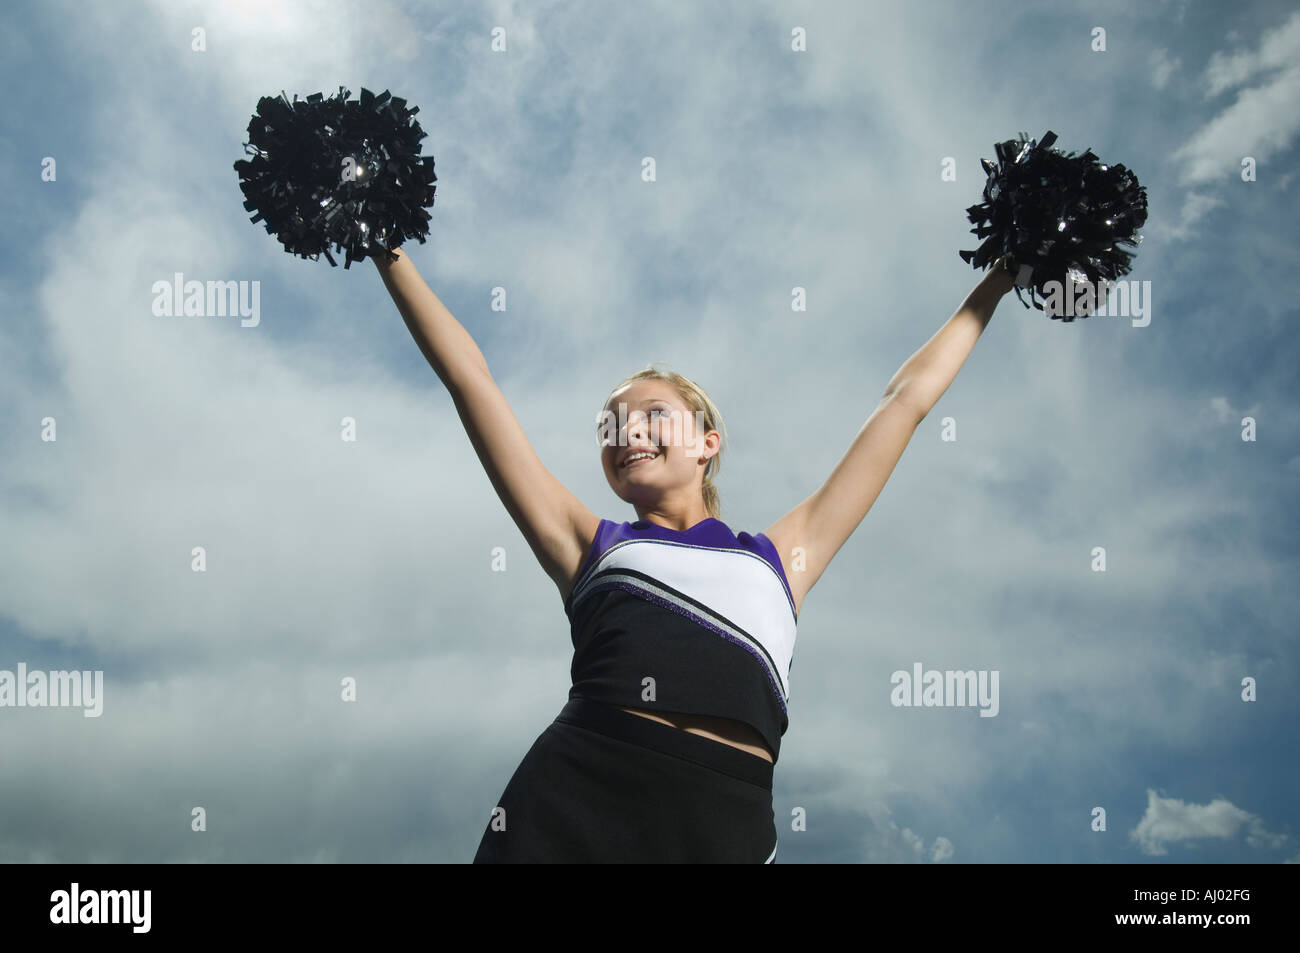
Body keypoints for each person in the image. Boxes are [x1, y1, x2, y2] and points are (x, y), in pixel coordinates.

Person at [373, 245, 1018, 862]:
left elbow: (904, 403)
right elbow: (470, 380)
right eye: (610, 429)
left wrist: (1003, 273)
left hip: (726, 818)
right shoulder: (590, 544)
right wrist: (381, 240)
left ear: (708, 441)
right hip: (580, 789)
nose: (627, 434)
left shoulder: (781, 556)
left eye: (652, 415)